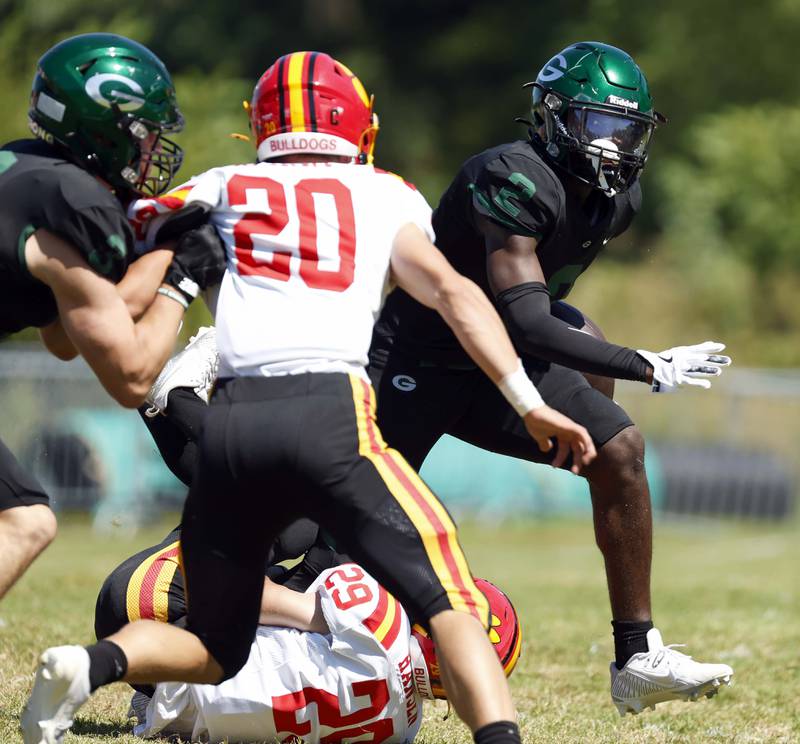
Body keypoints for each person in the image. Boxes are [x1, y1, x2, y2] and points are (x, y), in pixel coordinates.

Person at [23, 51, 596, 744]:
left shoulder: (218, 185)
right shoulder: (386, 193)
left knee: (213, 643)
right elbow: (453, 294)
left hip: (231, 428)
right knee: (452, 603)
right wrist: (525, 397)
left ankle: (90, 665)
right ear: (360, 128)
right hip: (331, 415)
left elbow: (123, 293)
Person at [368, 41, 734, 715]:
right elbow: (531, 319)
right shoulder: (511, 176)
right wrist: (642, 362)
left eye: (627, 130)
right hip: (415, 362)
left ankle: (637, 655)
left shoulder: (614, 202)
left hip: (502, 369)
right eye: (600, 125)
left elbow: (541, 315)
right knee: (342, 523)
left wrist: (585, 347)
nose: (615, 146)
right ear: (555, 118)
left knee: (620, 452)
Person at [0, 33, 221, 606]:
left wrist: (160, 256)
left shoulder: (27, 169)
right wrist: (183, 277)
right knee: (25, 522)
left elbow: (65, 338)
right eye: (144, 135)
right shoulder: (73, 199)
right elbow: (131, 377)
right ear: (104, 130)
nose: (152, 151)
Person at [129, 562, 521, 743]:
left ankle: (164, 399)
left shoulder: (378, 613)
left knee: (304, 526)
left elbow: (252, 597)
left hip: (159, 632)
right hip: (176, 716)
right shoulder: (405, 731)